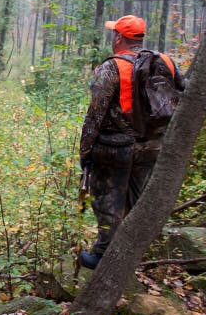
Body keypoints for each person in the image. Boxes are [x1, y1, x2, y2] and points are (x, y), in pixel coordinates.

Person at [78, 15, 185, 269]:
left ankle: (102, 255)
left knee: (106, 199)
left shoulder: (111, 67)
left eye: (113, 33)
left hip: (114, 148)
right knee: (134, 201)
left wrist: (85, 151)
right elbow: (183, 97)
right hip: (152, 147)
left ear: (119, 37)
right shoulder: (166, 63)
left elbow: (95, 114)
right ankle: (129, 253)